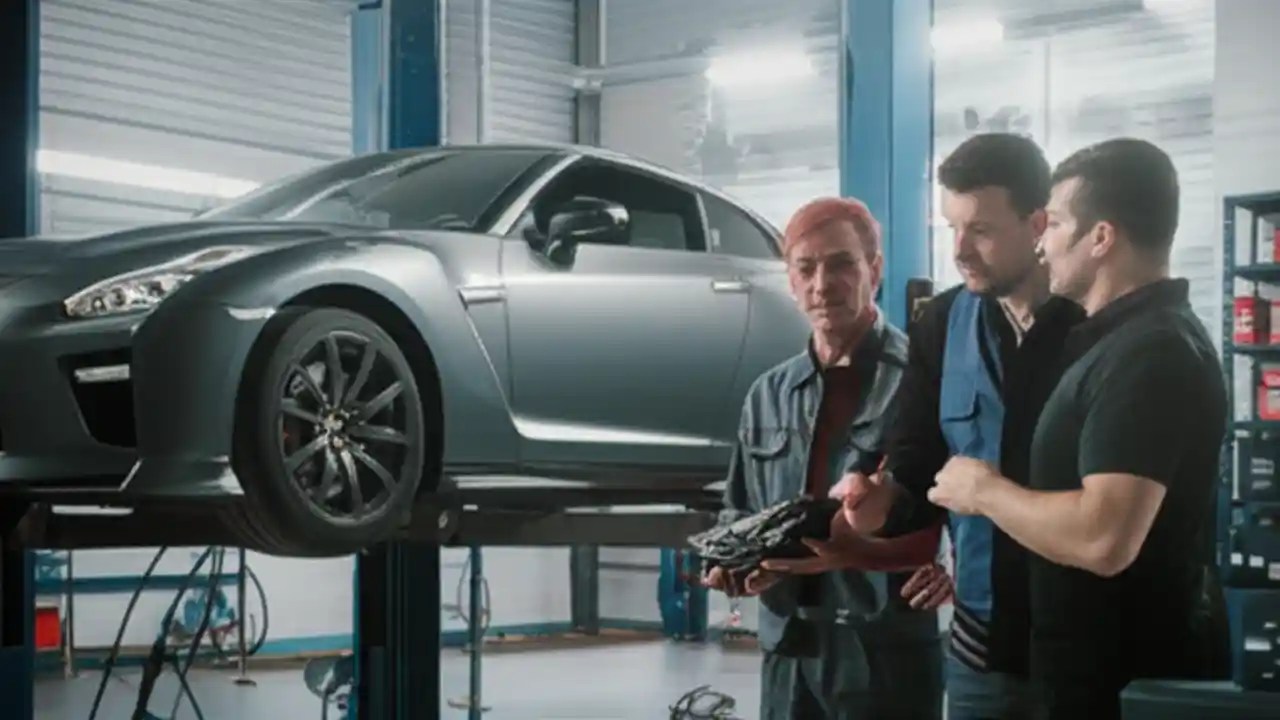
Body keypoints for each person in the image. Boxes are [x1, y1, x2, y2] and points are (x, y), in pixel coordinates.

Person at [767, 132, 1084, 719]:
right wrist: (875, 501)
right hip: (979, 651)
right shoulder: (942, 323)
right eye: (952, 228)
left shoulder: (1090, 324)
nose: (960, 250)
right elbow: (915, 464)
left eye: (981, 230)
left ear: (1037, 224)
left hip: (1085, 648)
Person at [929, 137, 1230, 719]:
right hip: (1086, 677)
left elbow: (1103, 538)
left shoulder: (1151, 354)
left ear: (1101, 238)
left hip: (1123, 684)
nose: (1042, 244)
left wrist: (983, 491)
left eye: (1058, 223)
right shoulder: (1118, 343)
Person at [702, 196, 944, 719]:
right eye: (806, 268)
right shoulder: (768, 395)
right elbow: (738, 511)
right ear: (790, 281)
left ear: (874, 270)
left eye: (841, 264)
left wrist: (949, 567)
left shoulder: (922, 382)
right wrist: (731, 565)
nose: (821, 284)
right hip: (789, 645)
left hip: (886, 648)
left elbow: (964, 504)